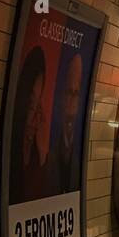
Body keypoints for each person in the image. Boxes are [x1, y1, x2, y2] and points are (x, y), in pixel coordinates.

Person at [10, 46, 57, 204]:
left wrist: (43, 157)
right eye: (31, 105)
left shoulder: (37, 158)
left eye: (38, 106)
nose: (36, 121)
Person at [54, 51, 84, 192]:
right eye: (69, 92)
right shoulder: (51, 144)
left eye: (76, 93)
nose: (72, 101)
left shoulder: (79, 146)